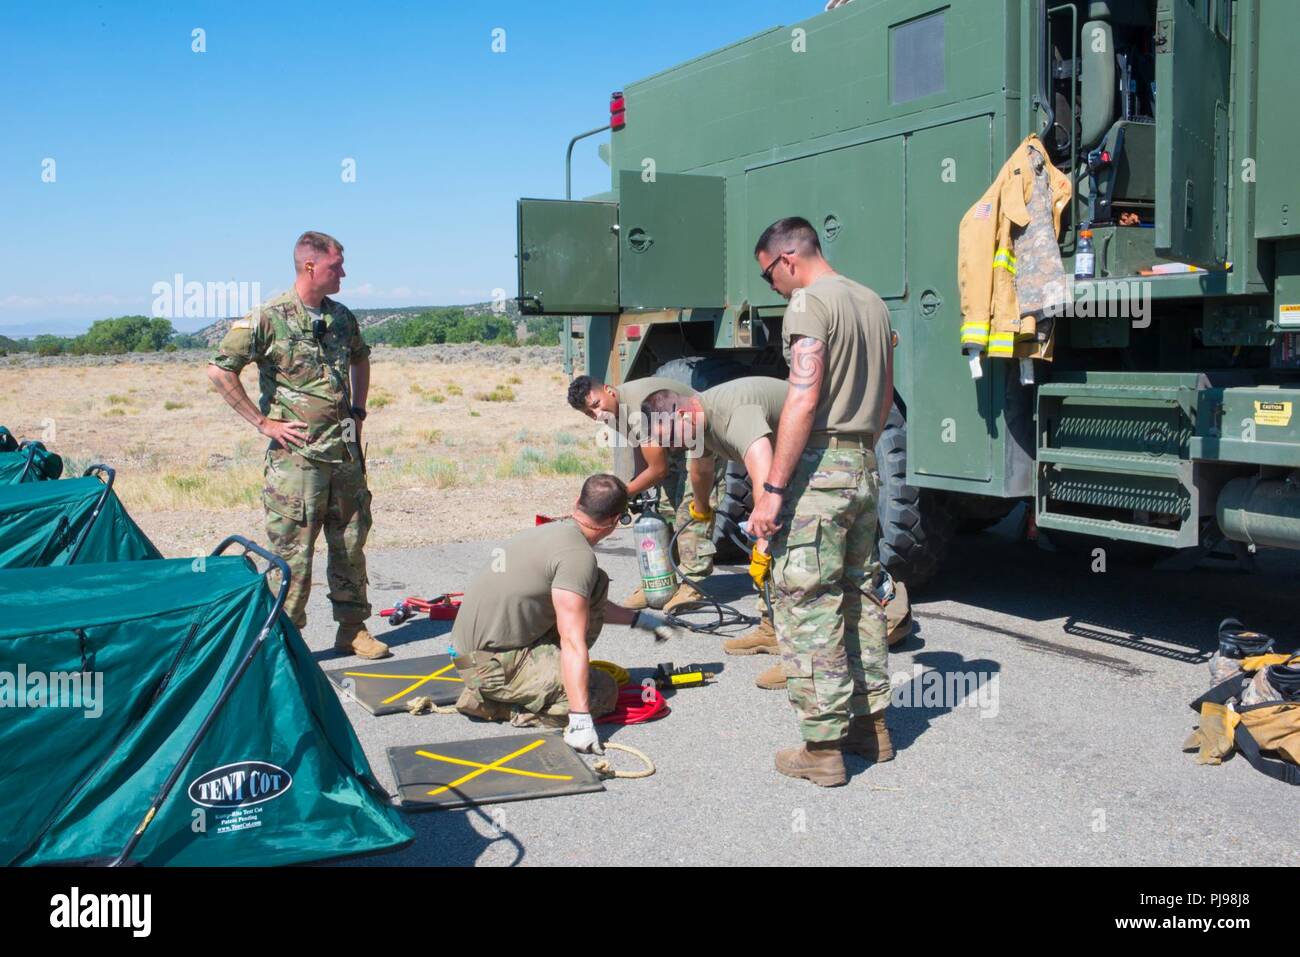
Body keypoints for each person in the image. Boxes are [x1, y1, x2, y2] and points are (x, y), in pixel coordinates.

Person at [747, 216, 896, 787]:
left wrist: (775, 489)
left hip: (818, 471)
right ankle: (871, 728)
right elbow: (883, 396)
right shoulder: (873, 302)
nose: (774, 288)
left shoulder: (809, 303)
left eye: (769, 277)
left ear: (788, 259)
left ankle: (822, 747)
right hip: (863, 462)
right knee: (861, 593)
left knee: (807, 600)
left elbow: (803, 399)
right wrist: (859, 453)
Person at [207, 231, 388, 659]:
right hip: (297, 460)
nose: (343, 272)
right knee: (293, 551)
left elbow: (361, 358)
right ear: (310, 267)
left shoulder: (341, 317)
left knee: (350, 544)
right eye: (335, 266)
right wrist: (263, 423)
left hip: (344, 455)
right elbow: (220, 372)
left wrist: (358, 411)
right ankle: (285, 640)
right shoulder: (268, 317)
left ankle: (353, 628)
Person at [451, 474, 683, 753]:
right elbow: (572, 640)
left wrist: (640, 621)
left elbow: (582, 604)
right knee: (602, 689)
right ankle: (496, 706)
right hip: (488, 669)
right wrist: (581, 720)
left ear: (577, 503)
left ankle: (517, 686)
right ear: (616, 520)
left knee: (594, 583)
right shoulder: (577, 557)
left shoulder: (549, 533)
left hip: (474, 655)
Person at [640, 377, 788, 684]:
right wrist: (702, 508)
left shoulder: (732, 413)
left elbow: (765, 481)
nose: (670, 447)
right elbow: (702, 469)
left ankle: (801, 656)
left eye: (668, 438)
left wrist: (763, 545)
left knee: (792, 553)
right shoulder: (698, 423)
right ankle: (772, 629)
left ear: (681, 415)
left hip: (819, 455)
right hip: (787, 460)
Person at [567, 375, 715, 610]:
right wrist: (637, 484)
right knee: (665, 511)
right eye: (588, 414)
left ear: (608, 390)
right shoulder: (613, 413)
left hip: (703, 437)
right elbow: (640, 449)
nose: (596, 415)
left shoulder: (636, 407)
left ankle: (692, 585)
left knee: (689, 511)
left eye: (595, 405)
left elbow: (658, 469)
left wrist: (621, 493)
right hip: (673, 439)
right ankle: (663, 582)